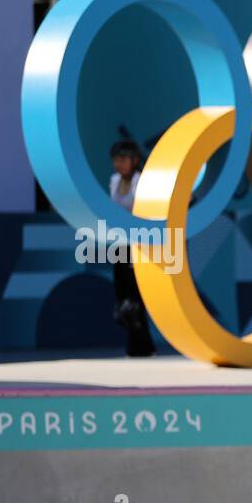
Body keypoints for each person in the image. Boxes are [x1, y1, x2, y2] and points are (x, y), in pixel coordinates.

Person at [108, 139, 156, 357]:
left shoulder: (142, 181)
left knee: (135, 299)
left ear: (134, 160)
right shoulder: (114, 181)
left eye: (124, 159)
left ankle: (144, 346)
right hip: (119, 243)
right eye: (116, 159)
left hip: (138, 244)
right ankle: (137, 345)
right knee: (121, 299)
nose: (119, 164)